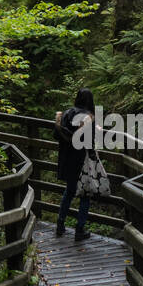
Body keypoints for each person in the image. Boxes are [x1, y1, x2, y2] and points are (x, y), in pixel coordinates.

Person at [53, 87, 95, 240]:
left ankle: (60, 224)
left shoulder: (65, 114)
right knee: (85, 194)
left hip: (66, 158)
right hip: (81, 160)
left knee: (69, 191)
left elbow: (56, 135)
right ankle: (79, 229)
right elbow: (89, 141)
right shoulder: (87, 117)